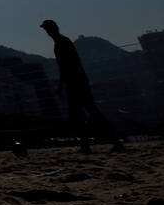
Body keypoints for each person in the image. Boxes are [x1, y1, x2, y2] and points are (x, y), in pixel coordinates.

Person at [41, 19, 126, 154]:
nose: (47, 32)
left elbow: (66, 66)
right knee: (89, 112)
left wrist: (60, 85)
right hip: (78, 81)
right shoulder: (63, 41)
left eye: (47, 29)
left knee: (81, 115)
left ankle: (93, 144)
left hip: (74, 83)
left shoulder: (61, 43)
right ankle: (110, 141)